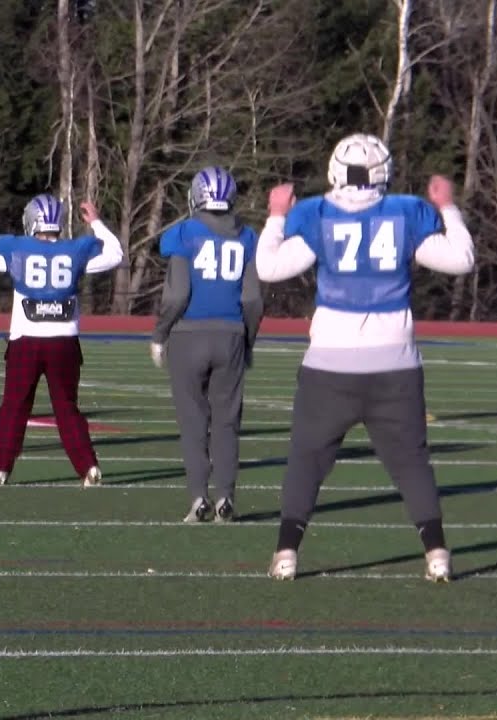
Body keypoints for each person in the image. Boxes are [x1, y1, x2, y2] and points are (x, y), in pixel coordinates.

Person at [255, 132, 474, 582]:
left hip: (330, 362)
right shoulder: (405, 212)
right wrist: (448, 207)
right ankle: (436, 553)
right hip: (395, 361)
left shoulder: (316, 214)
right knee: (411, 462)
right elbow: (461, 259)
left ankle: (286, 553)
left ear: (336, 171)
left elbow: (268, 268)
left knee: (306, 459)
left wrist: (276, 216)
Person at [0, 192, 123, 487]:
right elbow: (115, 254)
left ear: (31, 221)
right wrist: (97, 223)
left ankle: (0, 469)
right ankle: (88, 466)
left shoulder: (17, 248)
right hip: (65, 341)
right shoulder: (75, 250)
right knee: (66, 406)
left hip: (26, 340)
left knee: (14, 405)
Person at [152, 166, 263, 523]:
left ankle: (199, 497)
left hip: (188, 335)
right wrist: (247, 340)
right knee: (227, 423)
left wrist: (160, 333)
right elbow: (252, 300)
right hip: (231, 333)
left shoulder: (184, 233)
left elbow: (177, 293)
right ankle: (225, 498)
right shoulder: (247, 237)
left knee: (193, 421)